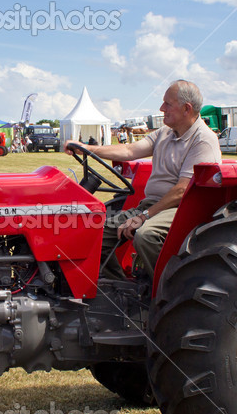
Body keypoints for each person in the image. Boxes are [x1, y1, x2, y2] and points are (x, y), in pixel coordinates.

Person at [63, 79, 220, 279]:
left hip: (181, 209)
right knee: (94, 233)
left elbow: (182, 190)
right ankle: (120, 290)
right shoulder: (165, 133)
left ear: (186, 108)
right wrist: (87, 149)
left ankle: (167, 294)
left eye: (167, 104)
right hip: (152, 205)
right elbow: (129, 149)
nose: (162, 108)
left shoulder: (203, 139)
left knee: (147, 236)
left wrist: (144, 216)